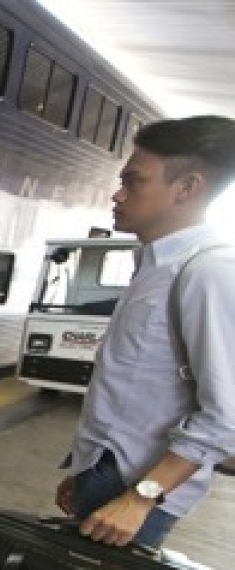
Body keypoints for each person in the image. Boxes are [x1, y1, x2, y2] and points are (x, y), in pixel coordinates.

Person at [55, 115, 235, 548]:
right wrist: (86, 468)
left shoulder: (208, 270)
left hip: (138, 492)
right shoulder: (155, 265)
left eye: (134, 182)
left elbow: (225, 416)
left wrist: (139, 498)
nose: (117, 195)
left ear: (187, 187)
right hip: (105, 477)